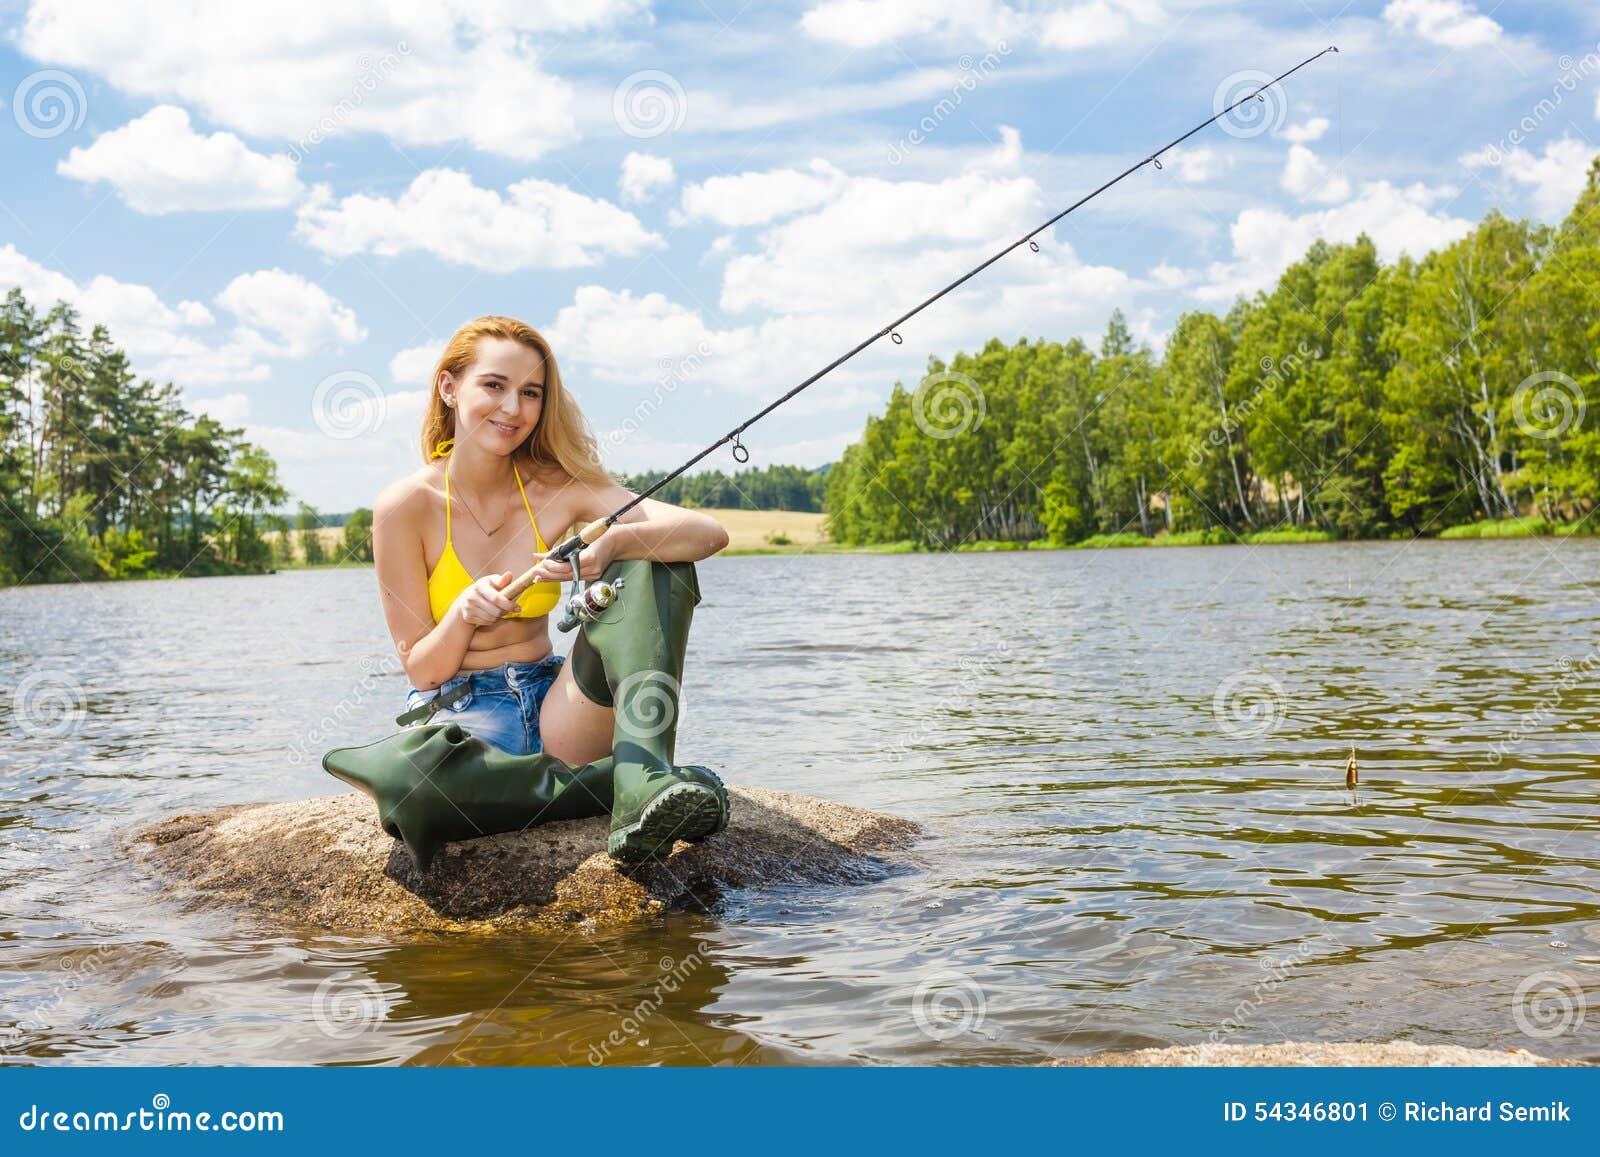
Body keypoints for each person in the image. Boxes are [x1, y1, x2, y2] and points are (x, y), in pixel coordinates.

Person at [372, 315, 729, 763]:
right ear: (449, 388)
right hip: (459, 710)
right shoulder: (404, 506)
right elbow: (422, 672)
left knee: (656, 562)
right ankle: (569, 786)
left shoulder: (556, 486)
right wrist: (463, 614)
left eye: (530, 393)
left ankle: (645, 777)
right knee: (434, 789)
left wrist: (615, 544)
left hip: (557, 707)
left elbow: (708, 534)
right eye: (493, 386)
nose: (512, 409)